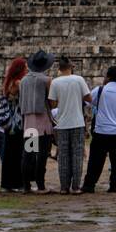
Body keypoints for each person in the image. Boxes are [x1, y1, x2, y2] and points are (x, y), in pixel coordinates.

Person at [81, 66, 116, 193]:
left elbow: (87, 102)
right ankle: (114, 186)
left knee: (96, 160)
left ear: (108, 77)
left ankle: (89, 185)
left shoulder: (101, 90)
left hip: (102, 131)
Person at [48, 57, 91, 193]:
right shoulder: (79, 80)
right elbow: (89, 98)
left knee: (63, 156)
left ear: (59, 68)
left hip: (62, 123)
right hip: (77, 122)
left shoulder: (55, 82)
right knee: (77, 155)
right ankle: (76, 186)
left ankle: (64, 187)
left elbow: (52, 104)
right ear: (71, 67)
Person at [19, 50, 55, 193]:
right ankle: (41, 185)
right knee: (42, 155)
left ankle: (26, 185)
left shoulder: (23, 81)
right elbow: (52, 103)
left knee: (28, 154)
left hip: (29, 123)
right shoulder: (46, 80)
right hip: (43, 123)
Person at [0, 57, 27, 191]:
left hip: (9, 124)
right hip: (17, 123)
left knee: (9, 153)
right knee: (18, 153)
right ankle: (18, 183)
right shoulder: (18, 83)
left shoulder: (8, 83)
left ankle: (7, 183)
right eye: (25, 67)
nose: (27, 69)